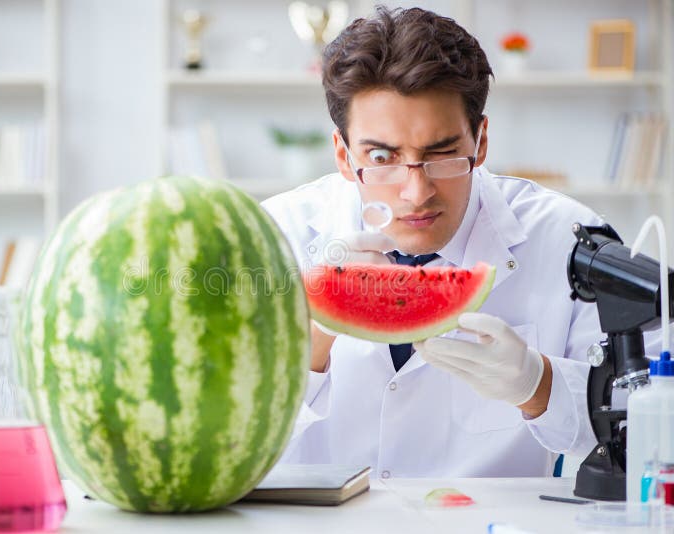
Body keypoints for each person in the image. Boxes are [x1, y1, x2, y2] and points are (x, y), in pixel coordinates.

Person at [261, 6, 615, 478]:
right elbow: (219, 438)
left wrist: (540, 385)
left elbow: (646, 426)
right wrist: (313, 337)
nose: (417, 191)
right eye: (382, 156)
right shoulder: (274, 237)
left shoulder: (572, 241)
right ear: (344, 156)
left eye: (443, 153)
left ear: (481, 141)